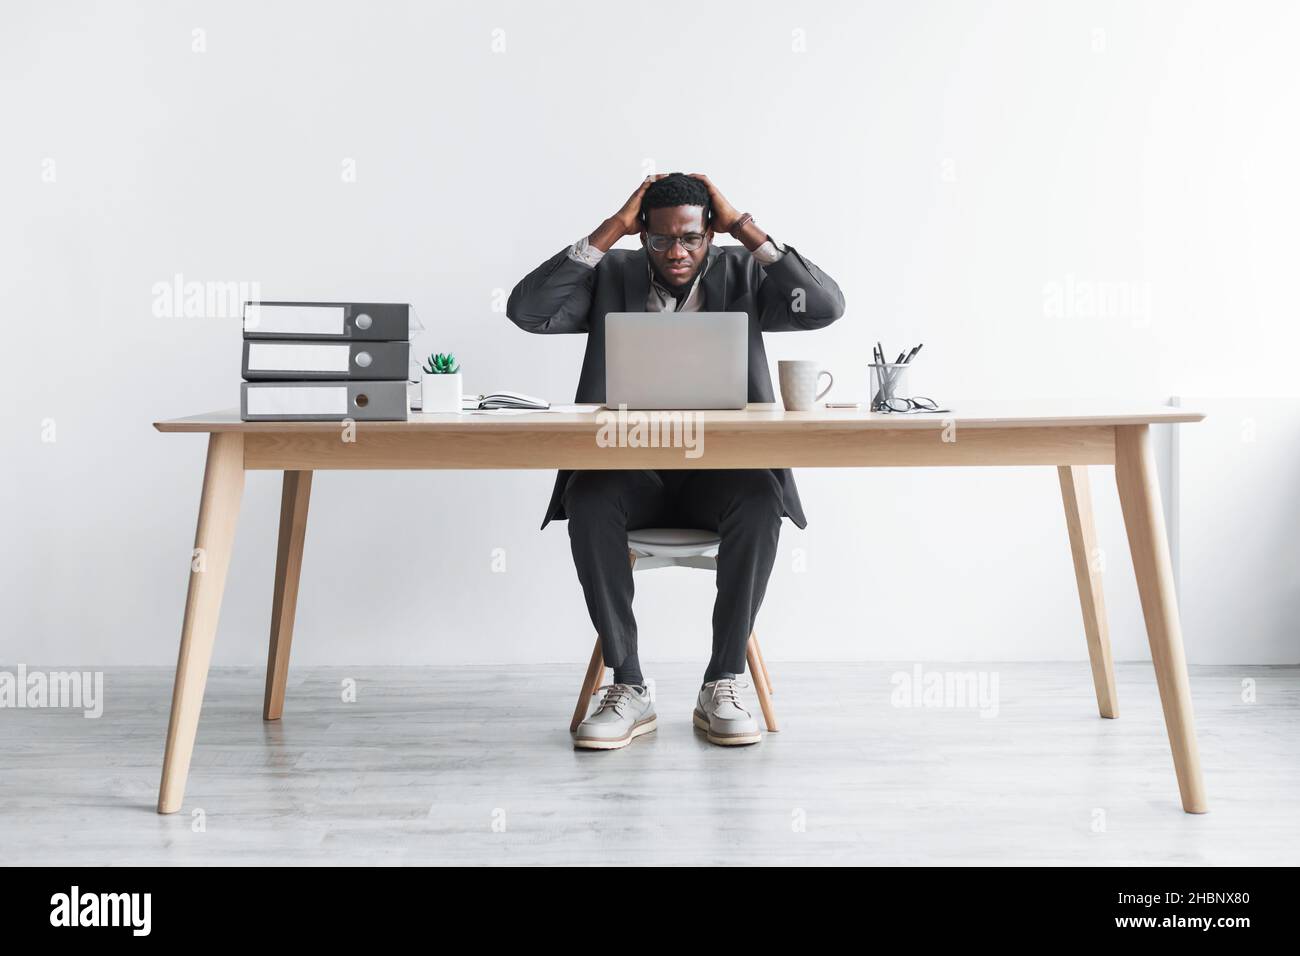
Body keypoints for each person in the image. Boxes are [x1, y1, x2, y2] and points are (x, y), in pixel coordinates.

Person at [507, 172, 845, 750]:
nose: (677, 252)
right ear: (643, 236)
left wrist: (743, 225)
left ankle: (723, 681)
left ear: (709, 232)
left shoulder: (744, 271)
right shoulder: (610, 274)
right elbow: (528, 311)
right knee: (587, 497)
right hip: (630, 470)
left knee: (762, 498)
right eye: (660, 240)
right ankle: (628, 686)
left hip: (721, 473)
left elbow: (824, 307)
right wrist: (610, 230)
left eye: (691, 238)